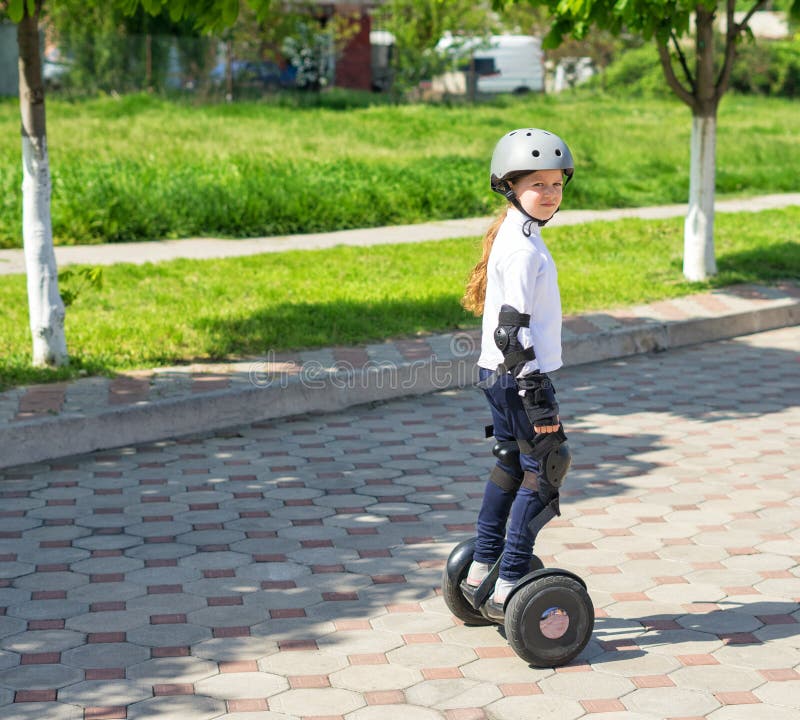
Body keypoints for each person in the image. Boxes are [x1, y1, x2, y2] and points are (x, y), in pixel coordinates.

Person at [461, 128, 574, 609]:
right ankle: (508, 582)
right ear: (509, 186)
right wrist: (535, 393)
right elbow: (513, 331)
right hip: (518, 377)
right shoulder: (525, 249)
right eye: (537, 185)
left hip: (496, 375)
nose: (549, 194)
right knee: (546, 468)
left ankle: (483, 565)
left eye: (556, 184)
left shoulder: (513, 229)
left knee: (510, 463)